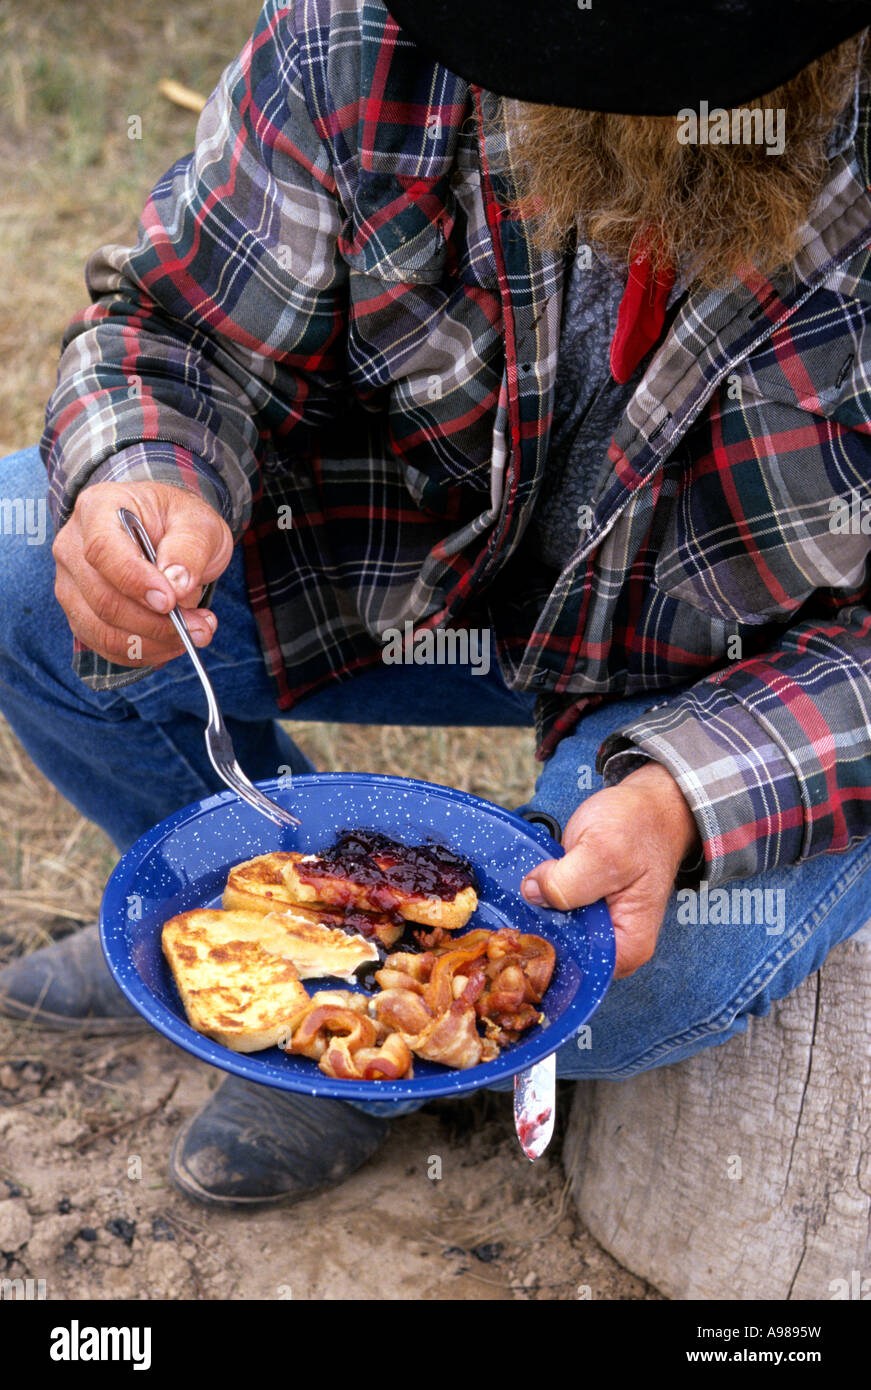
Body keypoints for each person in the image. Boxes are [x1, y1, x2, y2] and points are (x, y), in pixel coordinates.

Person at [2, 0, 871, 1207]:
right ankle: (243, 927)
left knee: (619, 978)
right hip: (421, 567)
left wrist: (687, 791)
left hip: (731, 675)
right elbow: (172, 333)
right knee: (17, 553)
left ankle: (372, 1048)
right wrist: (152, 470)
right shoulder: (365, 38)